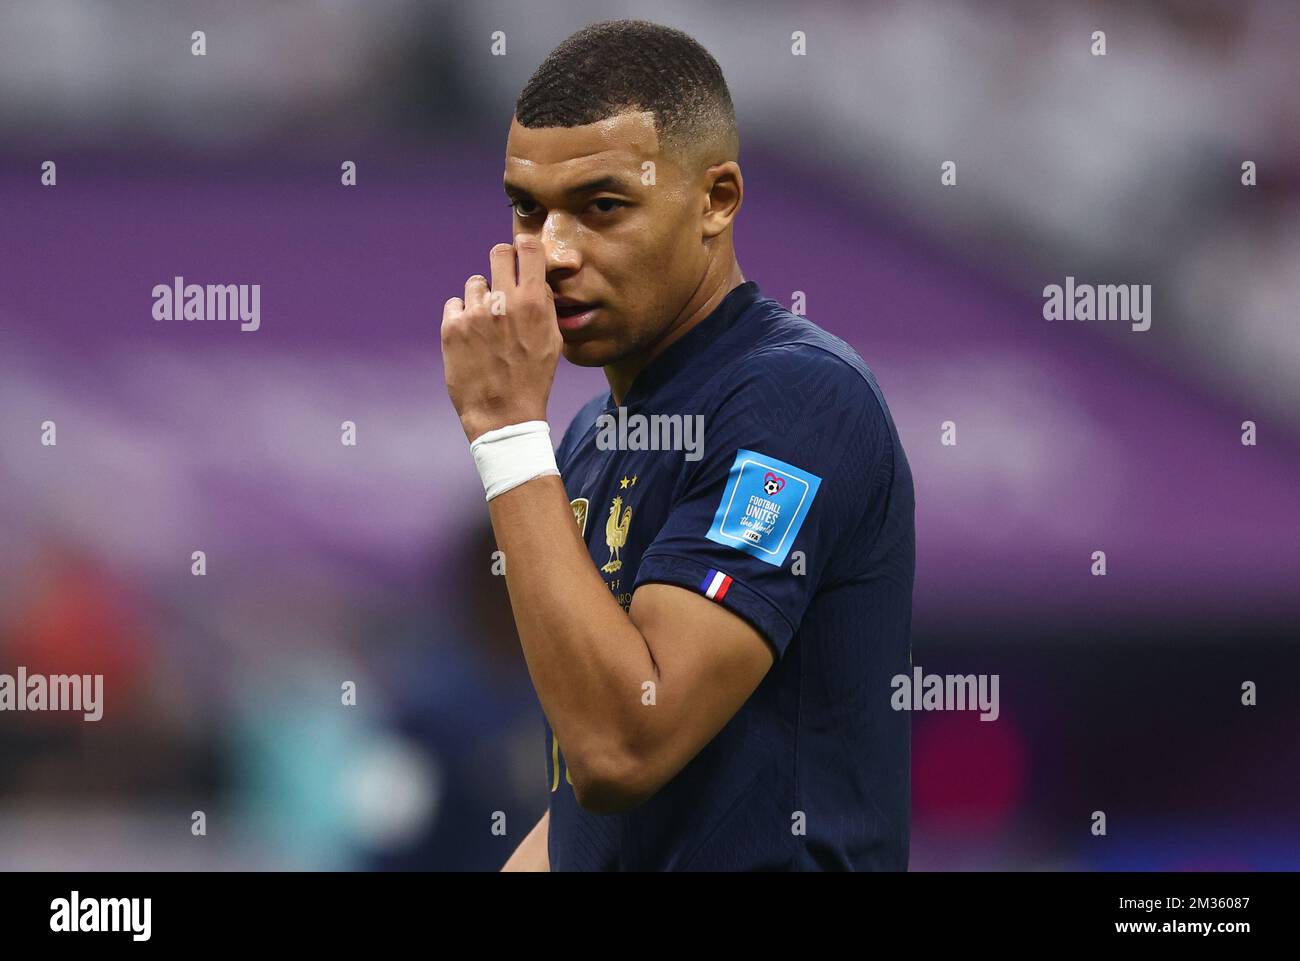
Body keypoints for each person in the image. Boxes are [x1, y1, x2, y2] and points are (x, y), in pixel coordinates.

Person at [440, 19, 915, 871]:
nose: (550, 252)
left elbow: (626, 745)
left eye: (602, 207)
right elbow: (590, 806)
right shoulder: (589, 437)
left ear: (716, 199)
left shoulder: (795, 398)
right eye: (527, 209)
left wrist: (507, 432)